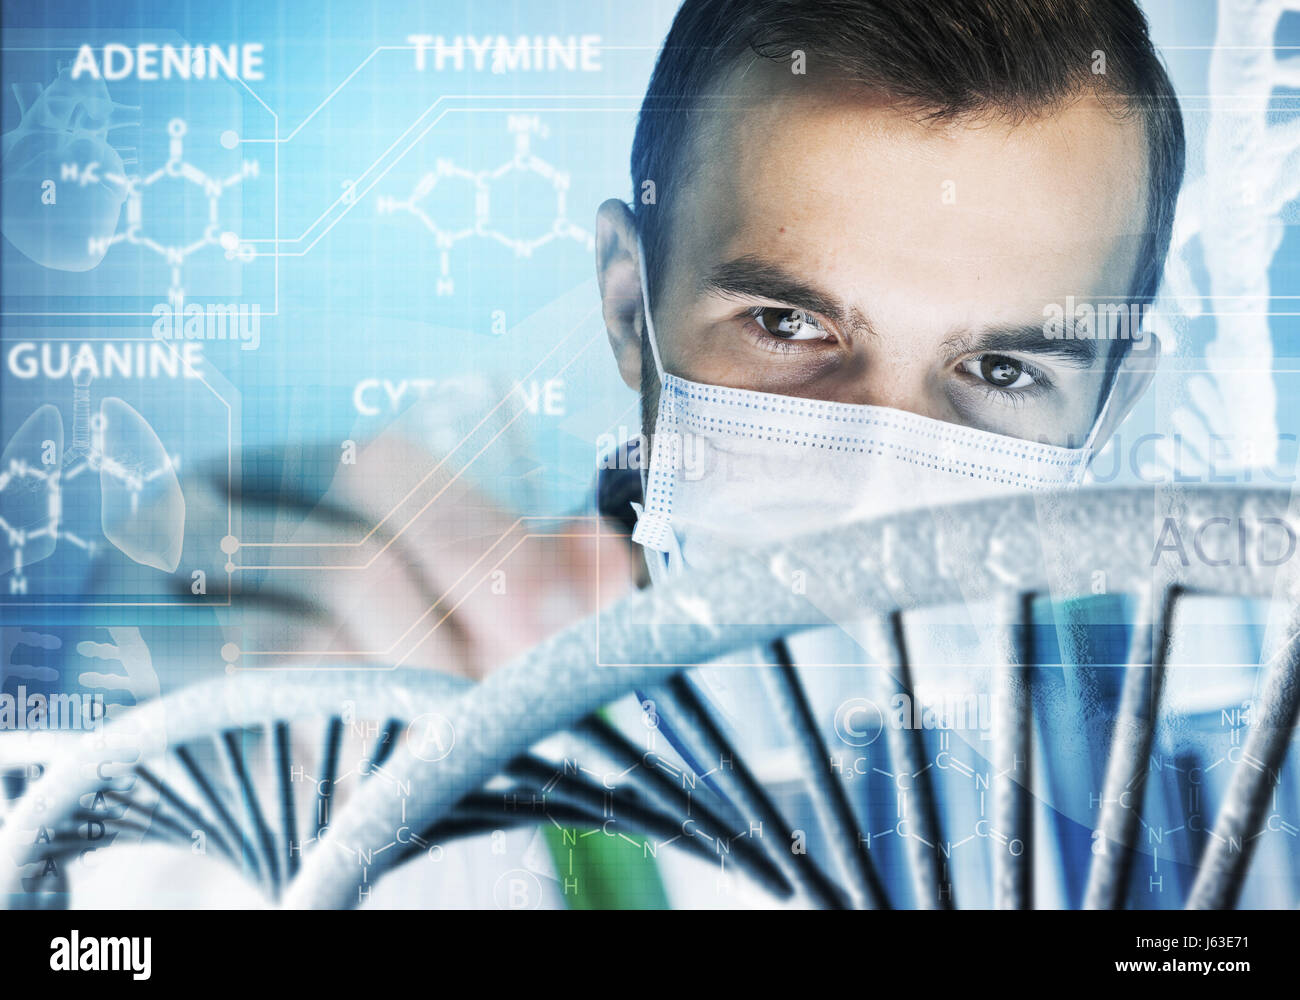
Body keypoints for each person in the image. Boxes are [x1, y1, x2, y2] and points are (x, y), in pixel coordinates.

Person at [202, 0, 1199, 909]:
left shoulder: (1196, 772)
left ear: (1109, 407)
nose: (876, 491)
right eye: (783, 321)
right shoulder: (444, 760)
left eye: (1001, 368)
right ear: (629, 306)